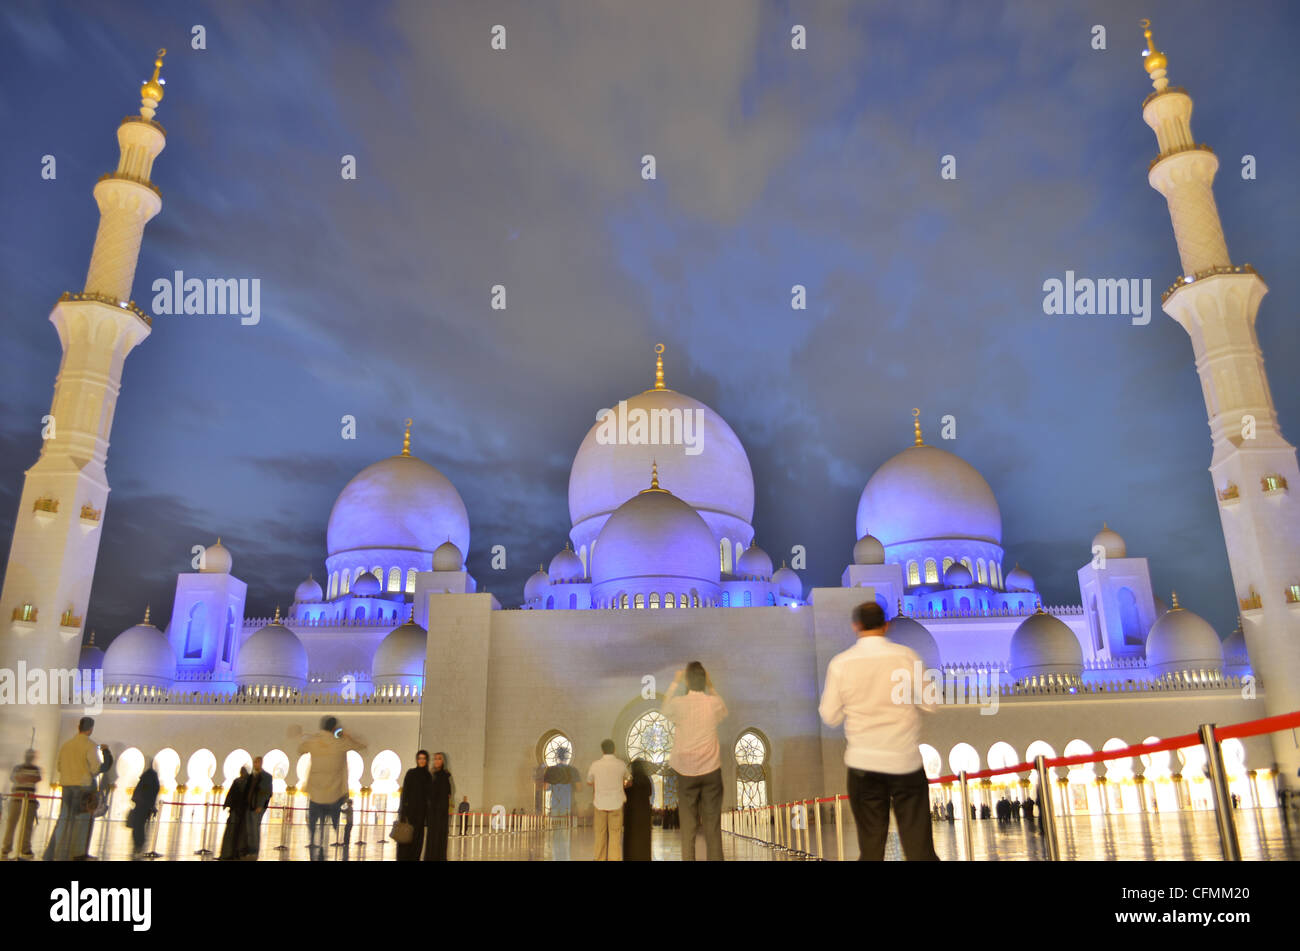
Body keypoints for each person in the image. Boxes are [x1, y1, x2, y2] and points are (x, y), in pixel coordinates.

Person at [818, 602, 939, 861]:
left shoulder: (841, 663)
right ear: (887, 625)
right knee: (920, 850)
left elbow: (829, 715)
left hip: (863, 766)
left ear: (856, 626)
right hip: (905, 763)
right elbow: (930, 702)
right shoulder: (907, 656)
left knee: (871, 849)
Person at [661, 661, 728, 861]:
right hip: (711, 771)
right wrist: (712, 685)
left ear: (687, 681)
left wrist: (674, 682)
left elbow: (664, 709)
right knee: (712, 829)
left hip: (685, 772)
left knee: (688, 830)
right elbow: (723, 710)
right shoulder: (713, 703)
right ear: (704, 680)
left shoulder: (679, 704)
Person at [294, 717, 367, 861]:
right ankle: (325, 845)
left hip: (316, 794)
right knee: (330, 826)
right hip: (333, 795)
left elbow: (300, 749)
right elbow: (361, 745)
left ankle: (316, 844)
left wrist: (309, 737)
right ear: (334, 728)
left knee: (315, 827)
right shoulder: (339, 743)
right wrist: (346, 735)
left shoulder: (314, 742)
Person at [44, 716, 106, 860]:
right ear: (90, 729)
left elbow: (59, 766)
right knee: (82, 821)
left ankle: (51, 854)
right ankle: (78, 854)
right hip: (83, 788)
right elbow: (96, 768)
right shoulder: (90, 745)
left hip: (66, 786)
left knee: (63, 819)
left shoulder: (67, 744)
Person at [586, 739, 631, 861]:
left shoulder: (595, 765)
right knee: (615, 835)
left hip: (600, 803)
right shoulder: (621, 764)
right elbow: (629, 780)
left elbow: (589, 781)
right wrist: (622, 784)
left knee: (600, 834)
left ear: (602, 750)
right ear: (614, 749)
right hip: (616, 803)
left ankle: (599, 858)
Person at [2, 749, 41, 860]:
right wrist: (28, 779)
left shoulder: (35, 769)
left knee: (28, 825)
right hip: (17, 798)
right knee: (12, 823)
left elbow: (36, 778)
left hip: (30, 799)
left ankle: (25, 849)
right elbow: (15, 778)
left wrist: (25, 778)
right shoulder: (18, 767)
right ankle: (6, 848)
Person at [397, 750, 433, 861]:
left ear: (426, 760)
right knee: (407, 837)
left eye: (423, 758)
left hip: (421, 814)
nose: (421, 761)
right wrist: (403, 811)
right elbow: (405, 793)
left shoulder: (428, 776)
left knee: (418, 838)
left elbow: (429, 796)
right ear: (417, 760)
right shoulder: (411, 773)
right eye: (419, 758)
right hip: (409, 812)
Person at [126, 761, 160, 859]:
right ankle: (139, 845)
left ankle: (138, 845)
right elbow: (152, 793)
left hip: (141, 806)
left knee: (138, 826)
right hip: (145, 806)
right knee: (139, 826)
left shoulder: (147, 778)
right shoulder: (152, 779)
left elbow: (142, 792)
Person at [622, 758, 654, 862]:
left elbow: (625, 795)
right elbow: (649, 793)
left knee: (632, 840)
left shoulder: (632, 781)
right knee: (644, 839)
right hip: (644, 814)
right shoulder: (646, 780)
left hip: (632, 816)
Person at [426, 752, 453, 861]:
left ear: (443, 761)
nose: (437, 761)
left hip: (440, 813)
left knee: (439, 838)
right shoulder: (432, 775)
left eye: (439, 759)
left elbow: (447, 794)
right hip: (432, 813)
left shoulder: (445, 776)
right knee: (432, 838)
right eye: (435, 759)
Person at [245, 756, 273, 859]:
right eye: (254, 762)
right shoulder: (252, 776)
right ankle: (249, 849)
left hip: (257, 807)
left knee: (254, 829)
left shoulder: (266, 777)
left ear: (261, 763)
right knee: (249, 829)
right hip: (249, 806)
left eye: (257, 762)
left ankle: (254, 851)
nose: (255, 764)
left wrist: (260, 805)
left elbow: (267, 792)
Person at [220, 767, 250, 860]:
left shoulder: (249, 783)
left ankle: (237, 853)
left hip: (242, 812)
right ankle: (229, 853)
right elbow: (231, 793)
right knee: (232, 832)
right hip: (236, 812)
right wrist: (227, 804)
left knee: (239, 833)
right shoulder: (238, 781)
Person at [543, 747, 580, 821]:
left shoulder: (550, 770)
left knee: (555, 830)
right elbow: (579, 788)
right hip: (568, 805)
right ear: (567, 757)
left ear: (556, 756)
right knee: (566, 830)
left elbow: (545, 788)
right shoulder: (572, 770)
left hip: (554, 805)